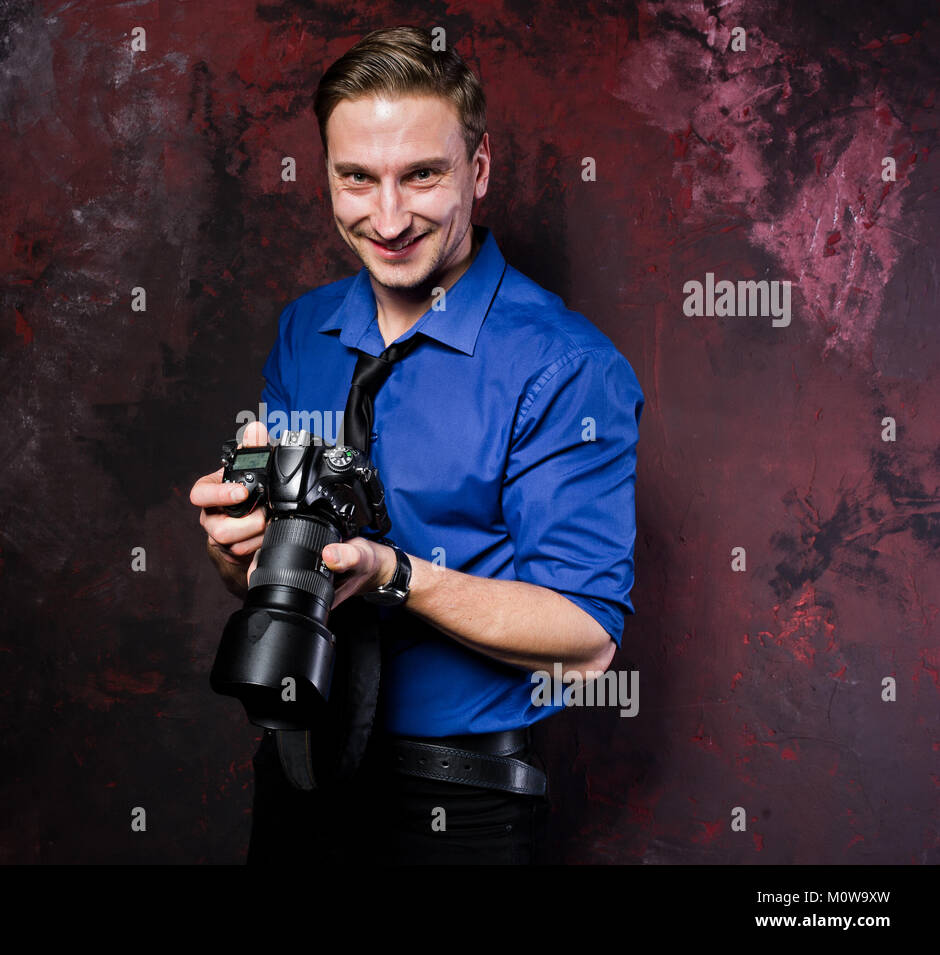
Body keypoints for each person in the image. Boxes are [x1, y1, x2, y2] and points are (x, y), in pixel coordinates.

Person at [190, 25, 644, 863]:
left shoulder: (565, 365)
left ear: (477, 170)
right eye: (356, 178)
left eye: (422, 175)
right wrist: (234, 542)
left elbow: (587, 637)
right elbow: (258, 578)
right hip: (296, 775)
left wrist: (393, 574)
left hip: (455, 801)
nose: (388, 217)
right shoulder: (306, 333)